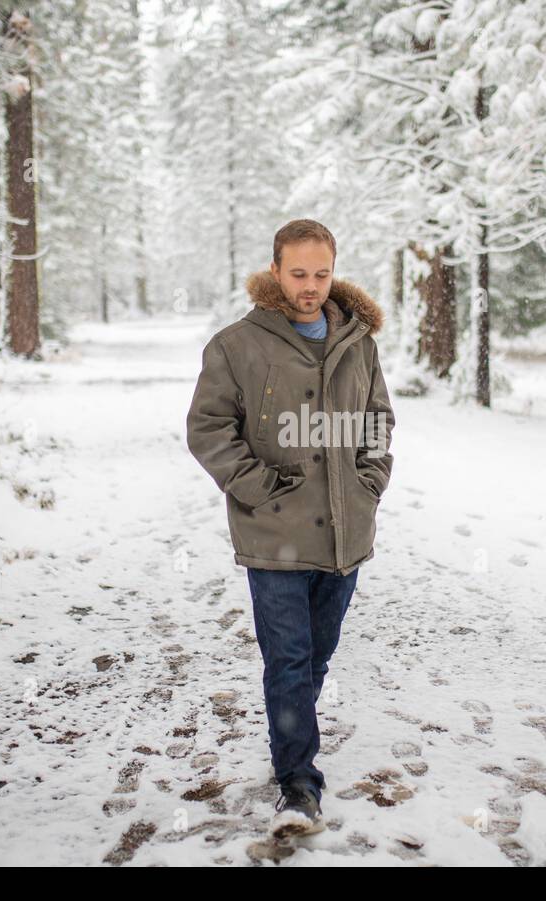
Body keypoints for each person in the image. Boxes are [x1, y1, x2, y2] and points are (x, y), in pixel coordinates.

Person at [185, 219, 395, 830]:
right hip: (272, 534)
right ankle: (299, 784)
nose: (310, 286)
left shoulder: (358, 340)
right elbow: (208, 428)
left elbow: (378, 418)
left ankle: (292, 737)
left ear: (334, 270)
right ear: (275, 270)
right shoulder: (236, 345)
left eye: (321, 274)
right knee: (289, 658)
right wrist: (257, 490)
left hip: (344, 535)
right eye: (298, 273)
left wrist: (370, 482)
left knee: (317, 655)